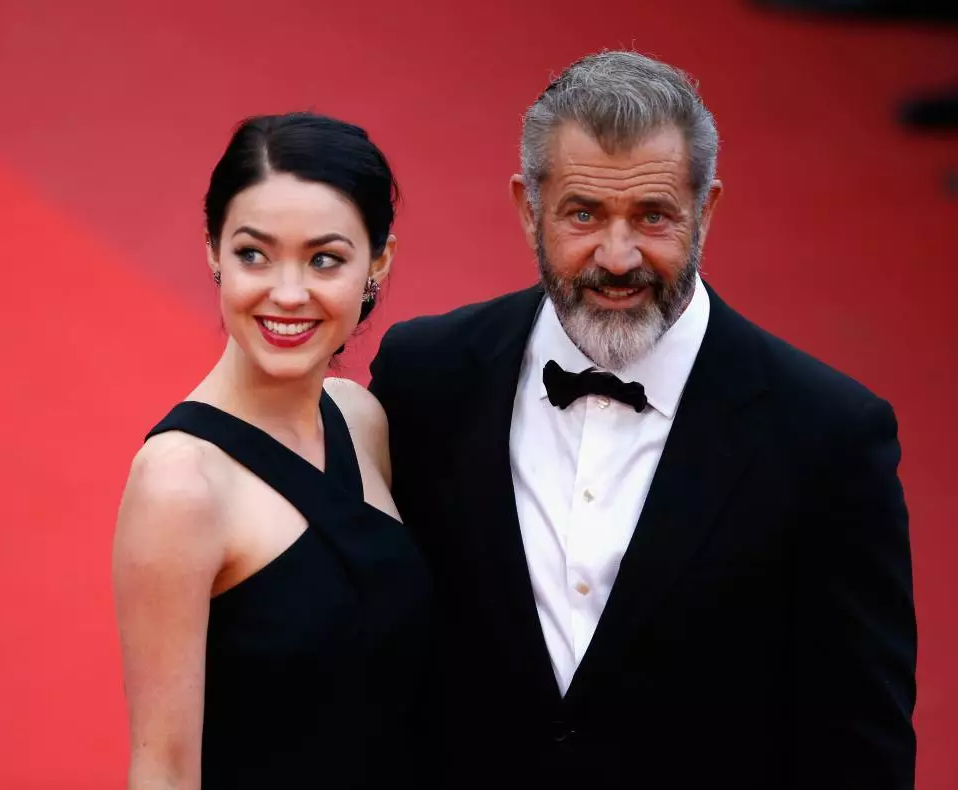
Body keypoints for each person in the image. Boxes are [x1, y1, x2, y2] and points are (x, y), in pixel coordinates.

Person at [369, 50, 916, 789]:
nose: (618, 256)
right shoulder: (425, 377)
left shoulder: (828, 436)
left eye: (653, 216)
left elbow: (859, 745)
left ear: (708, 209)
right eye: (584, 214)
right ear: (529, 209)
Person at [113, 113, 434, 789]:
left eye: (325, 259)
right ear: (213, 251)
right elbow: (164, 768)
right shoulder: (180, 483)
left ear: (379, 262)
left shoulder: (362, 419)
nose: (287, 294)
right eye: (254, 254)